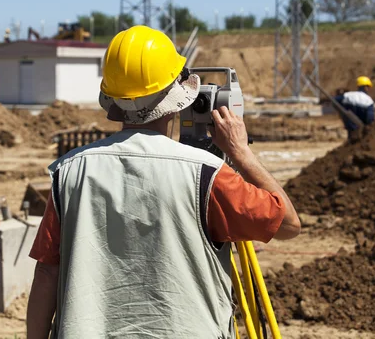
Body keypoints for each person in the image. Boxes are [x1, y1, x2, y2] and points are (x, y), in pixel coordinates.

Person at [26, 25, 301, 339]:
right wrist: (240, 153)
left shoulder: (69, 172)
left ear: (112, 96)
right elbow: (288, 224)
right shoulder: (208, 176)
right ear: (179, 96)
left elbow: (47, 271)